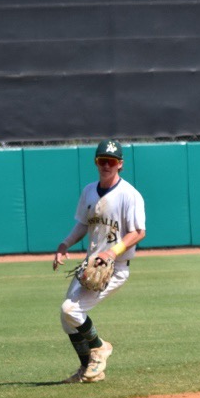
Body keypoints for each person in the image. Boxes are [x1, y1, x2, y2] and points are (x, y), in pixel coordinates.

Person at [51, 139, 147, 383]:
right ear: (96, 163)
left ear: (120, 165)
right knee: (67, 318)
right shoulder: (89, 191)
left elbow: (138, 232)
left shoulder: (129, 195)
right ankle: (88, 369)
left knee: (71, 310)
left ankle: (100, 347)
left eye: (111, 161)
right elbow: (83, 224)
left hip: (115, 268)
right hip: (90, 266)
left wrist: (112, 253)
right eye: (102, 160)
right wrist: (64, 244)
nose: (106, 165)